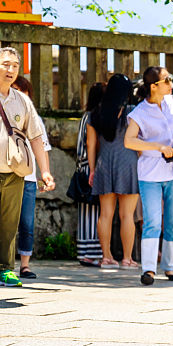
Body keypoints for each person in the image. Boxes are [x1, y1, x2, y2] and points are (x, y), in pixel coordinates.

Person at [0, 48, 55, 288]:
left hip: (16, 171)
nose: (10, 70)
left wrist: (44, 171)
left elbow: (36, 138)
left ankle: (5, 269)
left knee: (11, 222)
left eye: (15, 66)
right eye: (6, 65)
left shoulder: (23, 101)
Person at [125, 66, 173, 285]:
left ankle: (170, 267)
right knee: (152, 221)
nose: (171, 83)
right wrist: (157, 146)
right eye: (166, 80)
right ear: (153, 86)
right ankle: (148, 269)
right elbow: (129, 141)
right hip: (150, 172)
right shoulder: (139, 112)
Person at [89, 73, 138, 269]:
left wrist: (92, 170)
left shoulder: (96, 113)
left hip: (104, 163)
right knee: (127, 215)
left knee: (105, 214)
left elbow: (91, 145)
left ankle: (106, 257)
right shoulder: (133, 111)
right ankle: (127, 258)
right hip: (128, 162)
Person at [11, 75, 49, 279]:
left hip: (28, 178)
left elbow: (43, 148)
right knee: (2, 222)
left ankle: (24, 265)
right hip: (4, 174)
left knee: (26, 223)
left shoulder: (35, 119)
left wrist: (45, 174)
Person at [76, 82, 104, 266]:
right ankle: (89, 252)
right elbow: (89, 144)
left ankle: (87, 251)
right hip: (89, 166)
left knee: (88, 210)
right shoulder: (93, 118)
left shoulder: (85, 117)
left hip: (83, 165)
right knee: (91, 210)